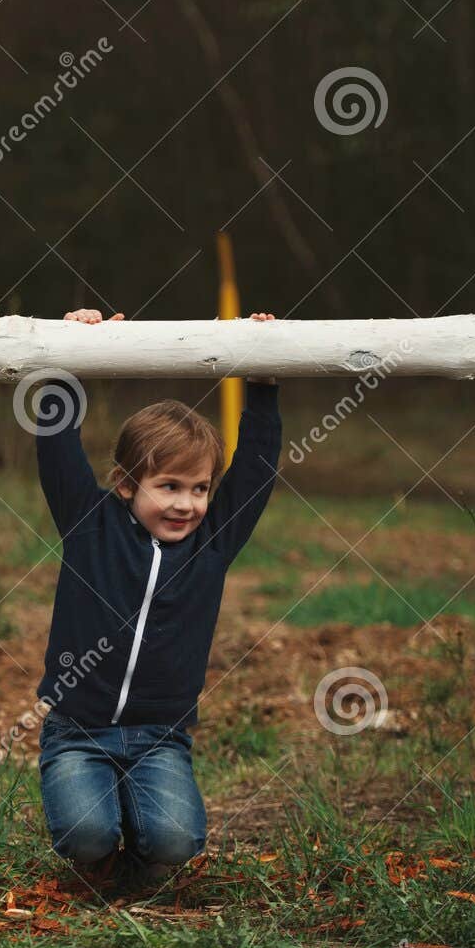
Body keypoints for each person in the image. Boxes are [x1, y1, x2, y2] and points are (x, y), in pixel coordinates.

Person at [32, 307, 281, 889]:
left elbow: (258, 468)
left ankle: (141, 855)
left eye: (199, 489)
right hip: (79, 730)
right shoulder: (90, 525)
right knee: (87, 832)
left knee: (177, 840)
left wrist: (265, 376)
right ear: (125, 484)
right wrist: (68, 357)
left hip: (160, 736)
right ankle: (98, 853)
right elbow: (56, 442)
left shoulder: (213, 545)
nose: (186, 504)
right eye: (168, 486)